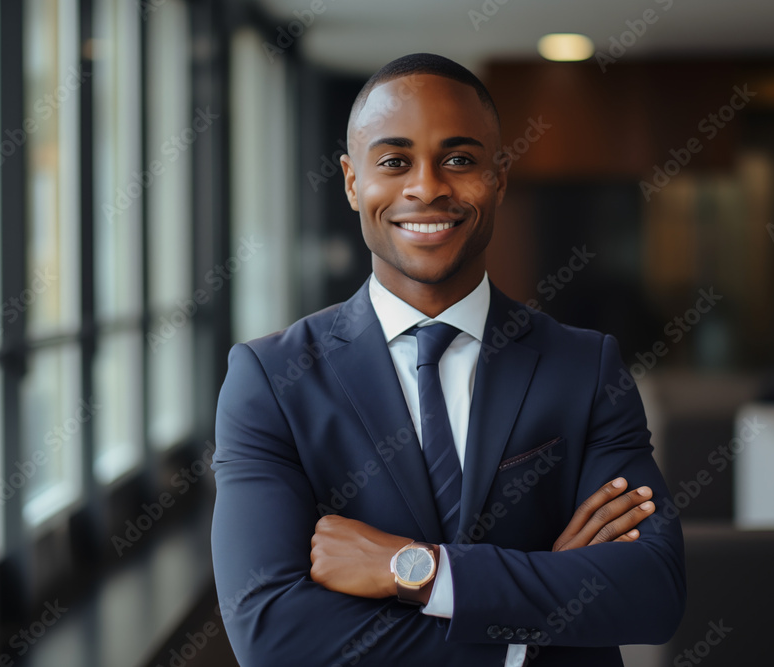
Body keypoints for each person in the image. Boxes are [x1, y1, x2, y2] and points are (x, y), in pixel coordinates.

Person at [211, 53, 685, 666]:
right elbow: (270, 634)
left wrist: (415, 571)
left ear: (499, 179)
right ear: (354, 182)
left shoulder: (585, 367)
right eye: (394, 161)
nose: (428, 186)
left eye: (459, 160)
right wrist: (530, 628)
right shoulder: (271, 381)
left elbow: (650, 592)